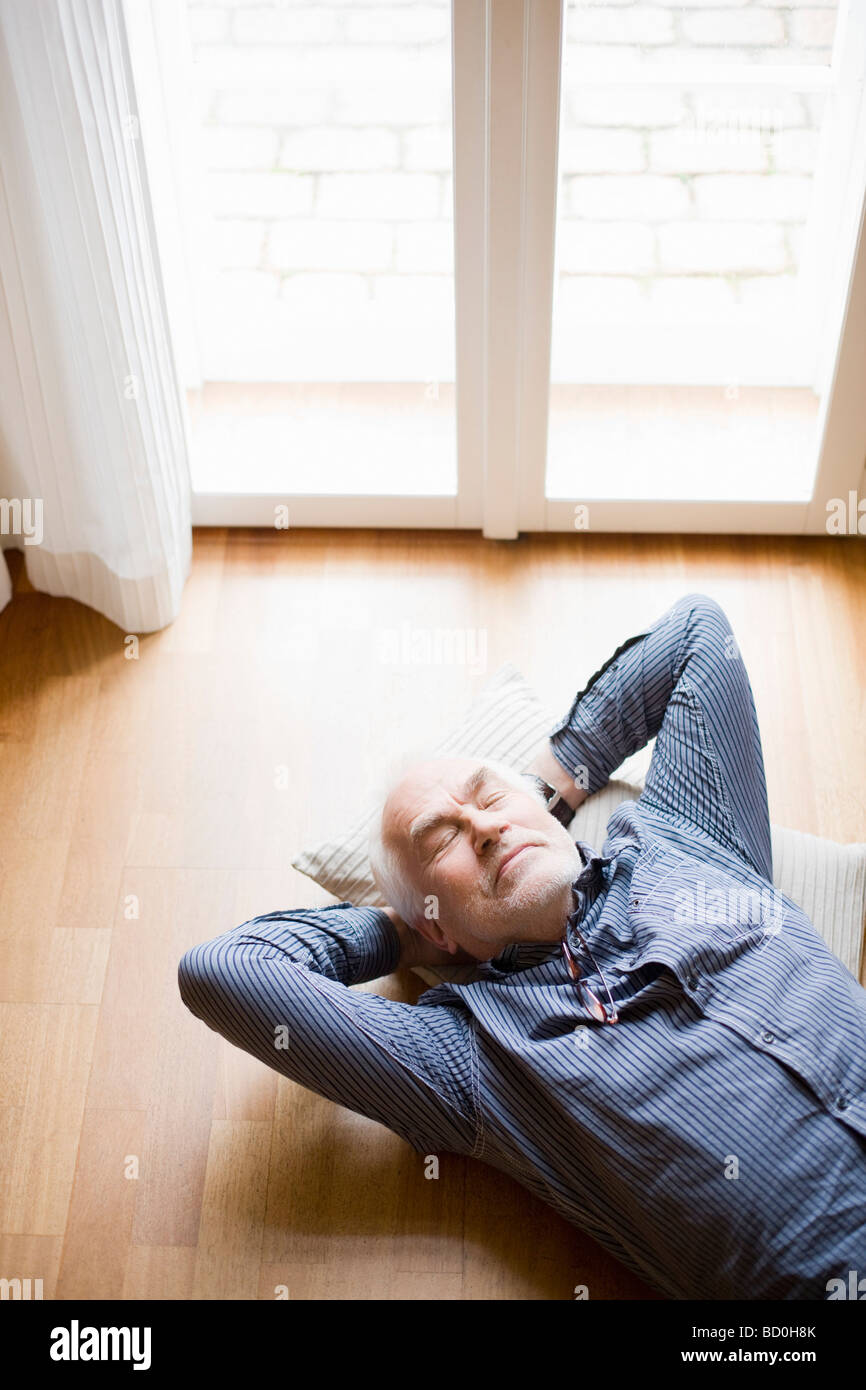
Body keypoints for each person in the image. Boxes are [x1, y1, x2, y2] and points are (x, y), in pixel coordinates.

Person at [178, 592, 866, 1300]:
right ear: (437, 927)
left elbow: (698, 634)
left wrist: (555, 778)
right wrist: (398, 934)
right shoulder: (472, 1060)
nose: (480, 825)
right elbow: (223, 971)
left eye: (490, 795)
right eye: (441, 837)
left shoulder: (684, 837)